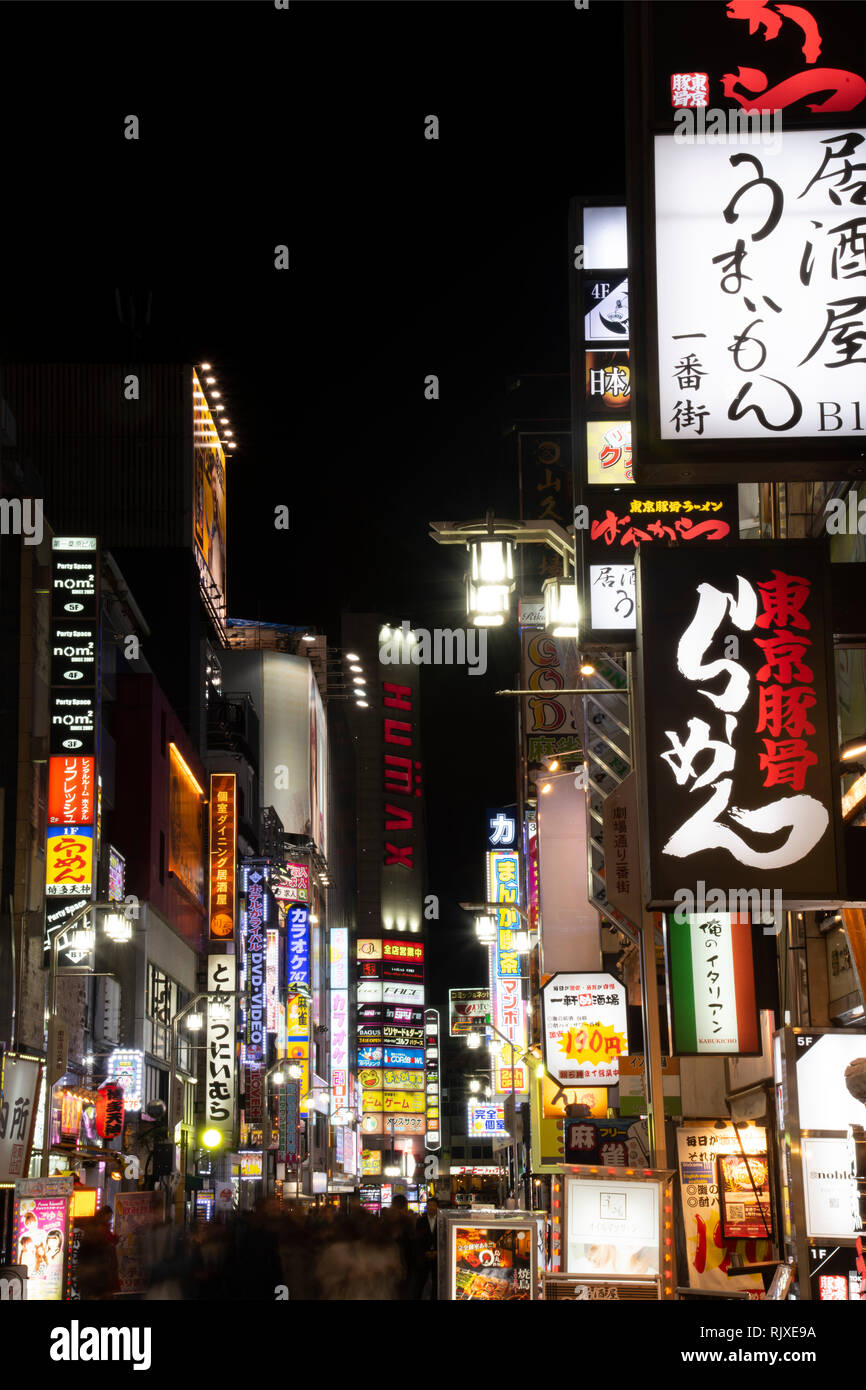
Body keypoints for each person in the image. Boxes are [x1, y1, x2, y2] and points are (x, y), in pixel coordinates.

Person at [413, 1196, 439, 1300]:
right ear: (426, 1207)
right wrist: (424, 1252)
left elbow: (443, 1237)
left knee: (436, 1281)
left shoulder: (441, 1220)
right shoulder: (420, 1221)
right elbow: (418, 1239)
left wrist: (438, 1251)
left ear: (437, 1207)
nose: (431, 1207)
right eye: (429, 1205)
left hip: (437, 1256)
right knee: (420, 1281)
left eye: (433, 1205)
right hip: (424, 1256)